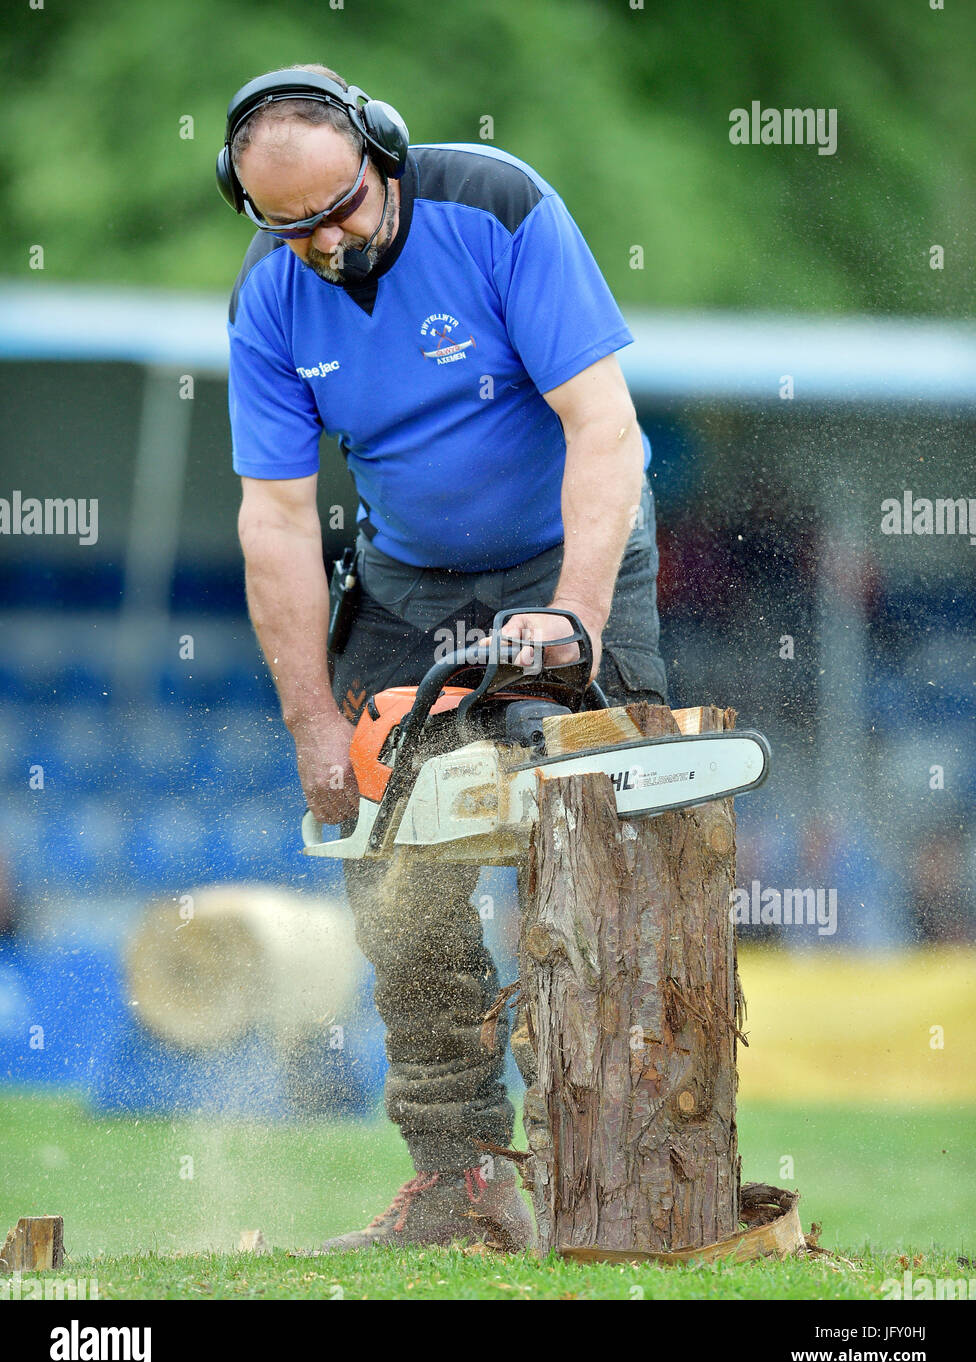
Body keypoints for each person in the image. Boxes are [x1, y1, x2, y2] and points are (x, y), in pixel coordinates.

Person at [219, 63, 668, 1252]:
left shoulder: (497, 209)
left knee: (611, 837)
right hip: (408, 584)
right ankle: (460, 1179)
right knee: (390, 867)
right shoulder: (270, 298)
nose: (326, 243)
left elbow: (604, 427)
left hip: (566, 550)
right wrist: (316, 724)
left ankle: (631, 1169)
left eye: (343, 210)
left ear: (383, 151)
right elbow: (273, 519)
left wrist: (573, 615)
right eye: (292, 227)